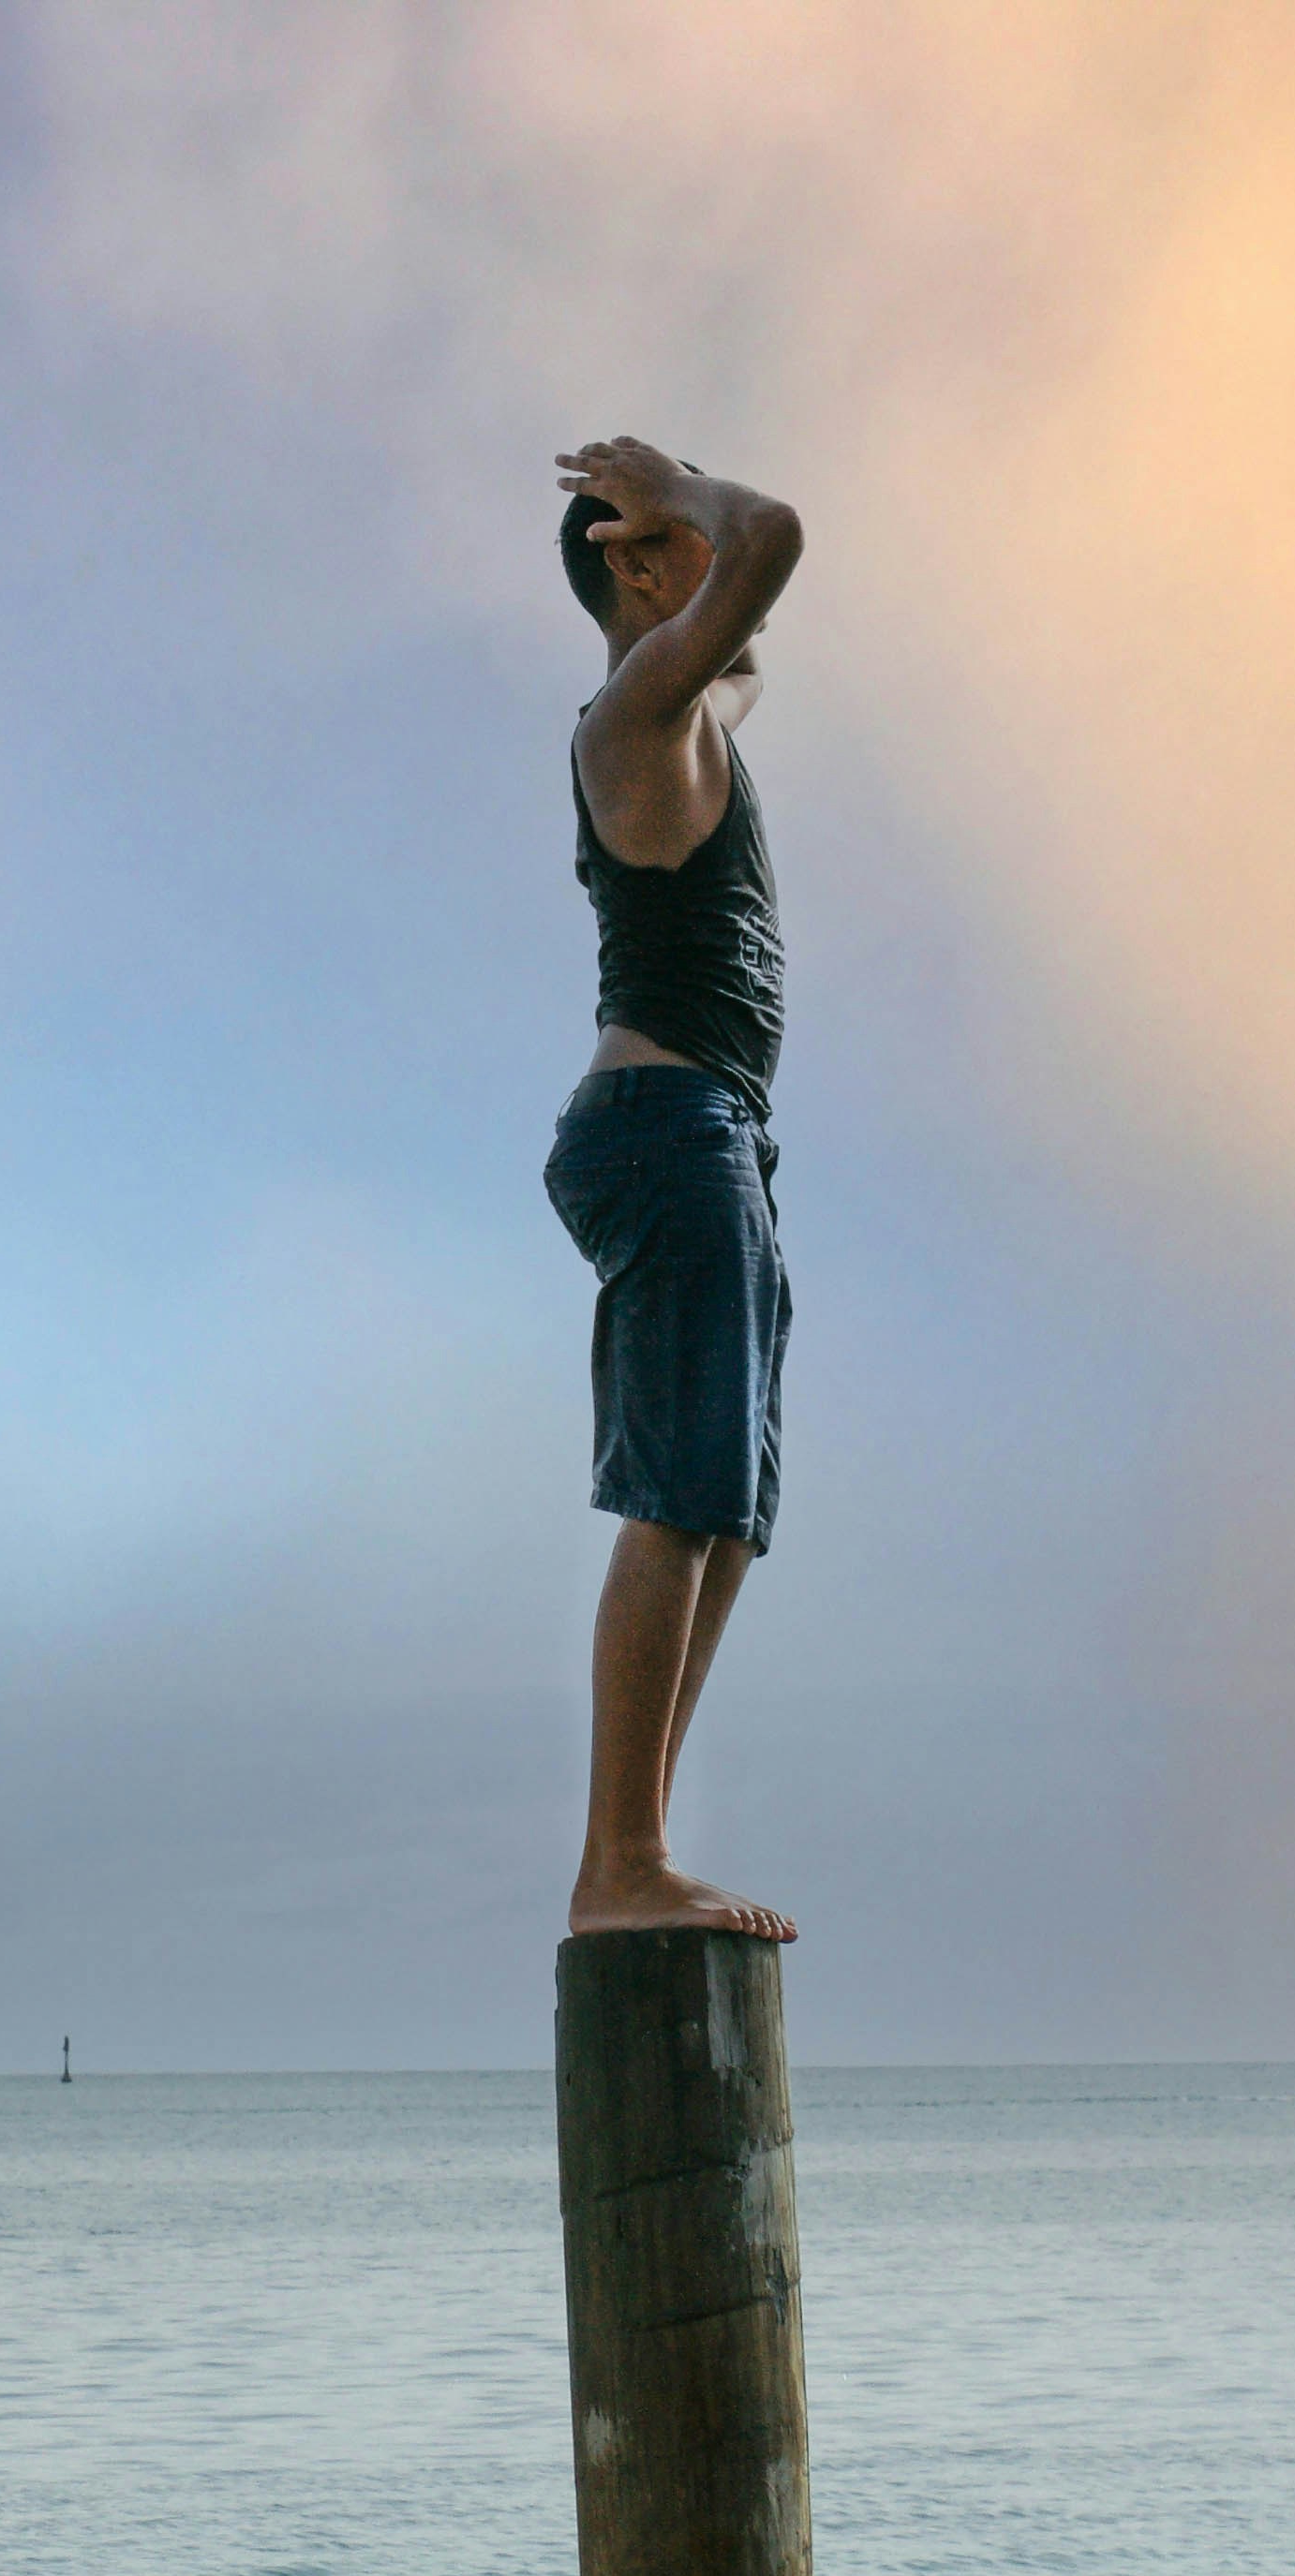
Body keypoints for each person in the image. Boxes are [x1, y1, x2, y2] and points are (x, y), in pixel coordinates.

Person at [545, 436, 805, 1939]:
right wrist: (685, 499)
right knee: (671, 1498)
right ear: (637, 565)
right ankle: (618, 1871)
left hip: (719, 1136)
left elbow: (752, 604)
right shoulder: (634, 709)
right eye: (668, 537)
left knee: (725, 1507)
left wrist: (678, 512)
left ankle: (635, 1855)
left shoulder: (691, 709)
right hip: (663, 1123)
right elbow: (767, 537)